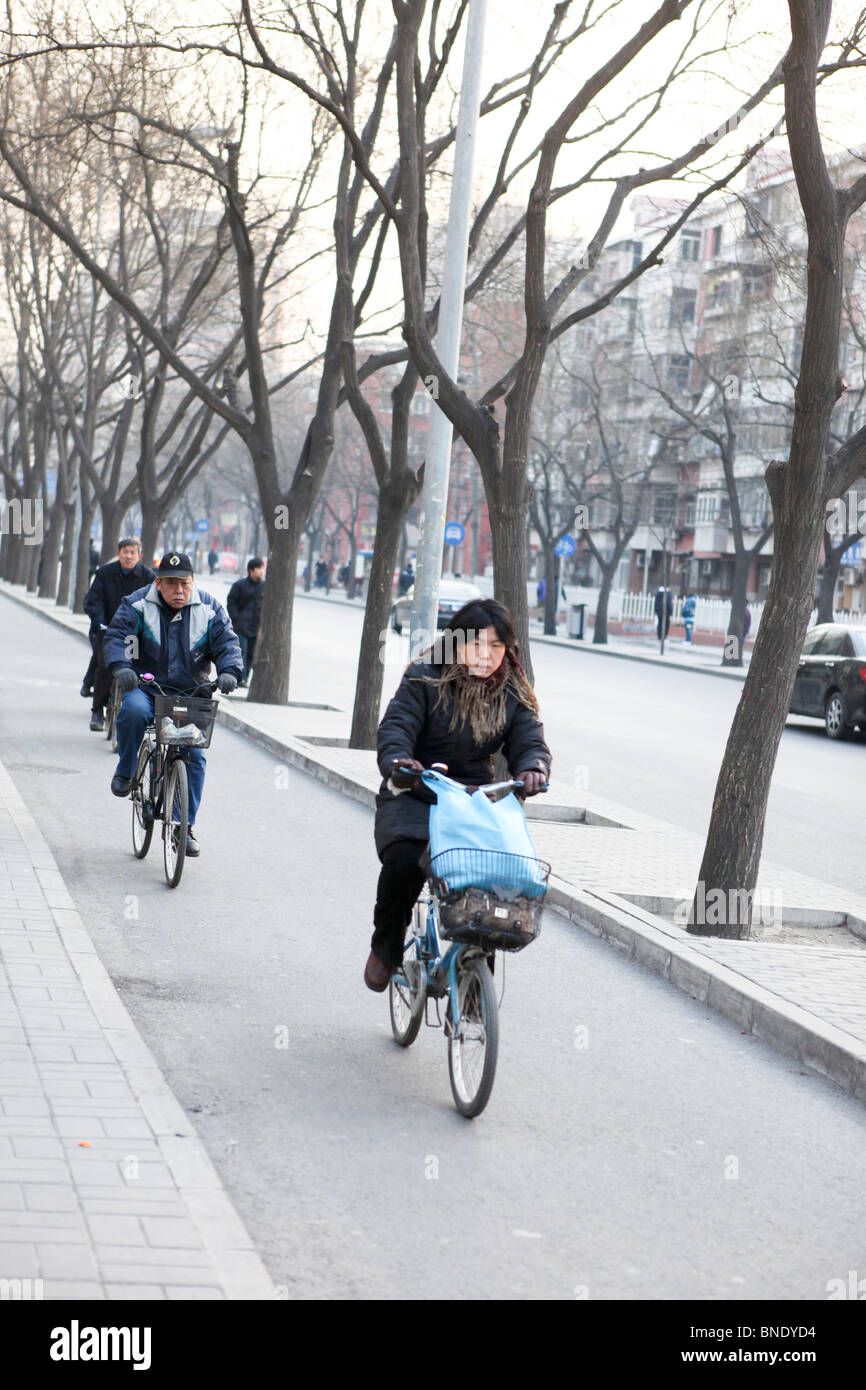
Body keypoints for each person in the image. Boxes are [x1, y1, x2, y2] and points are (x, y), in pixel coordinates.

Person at [364, 597, 552, 992]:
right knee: (404, 860)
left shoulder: (512, 691)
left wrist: (533, 768)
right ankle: (386, 947)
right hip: (416, 790)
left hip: (473, 800)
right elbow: (397, 726)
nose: (486, 656)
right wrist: (401, 761)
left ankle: (472, 986)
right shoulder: (424, 677)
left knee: (495, 879)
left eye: (496, 647)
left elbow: (529, 740)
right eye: (477, 644)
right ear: (456, 642)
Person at [102, 551, 242, 857]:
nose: (179, 591)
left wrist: (230, 671)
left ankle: (183, 826)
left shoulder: (209, 607)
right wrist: (121, 666)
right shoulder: (137, 603)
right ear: (159, 583)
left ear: (193, 582)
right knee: (134, 712)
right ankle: (126, 770)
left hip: (192, 691)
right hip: (147, 686)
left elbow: (227, 643)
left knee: (195, 755)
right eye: (172, 584)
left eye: (185, 584)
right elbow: (116, 636)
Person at [81, 539, 155, 730]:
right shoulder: (105, 573)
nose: (128, 556)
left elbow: (154, 606)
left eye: (133, 552)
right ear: (119, 553)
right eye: (125, 552)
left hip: (134, 635)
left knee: (137, 667)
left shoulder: (148, 577)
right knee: (104, 666)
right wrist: (98, 620)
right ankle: (97, 711)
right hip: (108, 630)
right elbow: (93, 599)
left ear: (139, 555)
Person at [226, 558, 265, 687]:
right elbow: (231, 602)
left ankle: (246, 678)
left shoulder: (264, 587)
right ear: (251, 570)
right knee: (241, 652)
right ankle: (239, 677)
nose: (262, 572)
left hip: (256, 627)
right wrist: (236, 618)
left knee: (251, 654)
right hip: (241, 626)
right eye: (259, 569)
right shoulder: (240, 585)